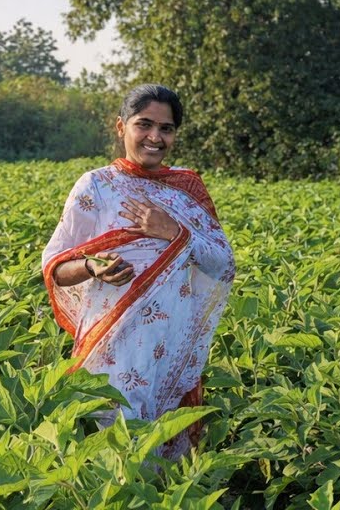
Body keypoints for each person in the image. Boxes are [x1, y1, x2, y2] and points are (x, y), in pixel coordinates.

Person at [41, 84, 235, 458]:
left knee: (165, 443)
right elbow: (56, 267)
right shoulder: (96, 186)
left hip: (171, 343)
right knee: (117, 445)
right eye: (144, 124)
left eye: (166, 129)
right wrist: (91, 266)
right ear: (121, 127)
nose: (155, 137)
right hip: (114, 345)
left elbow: (223, 263)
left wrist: (175, 233)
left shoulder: (187, 188)